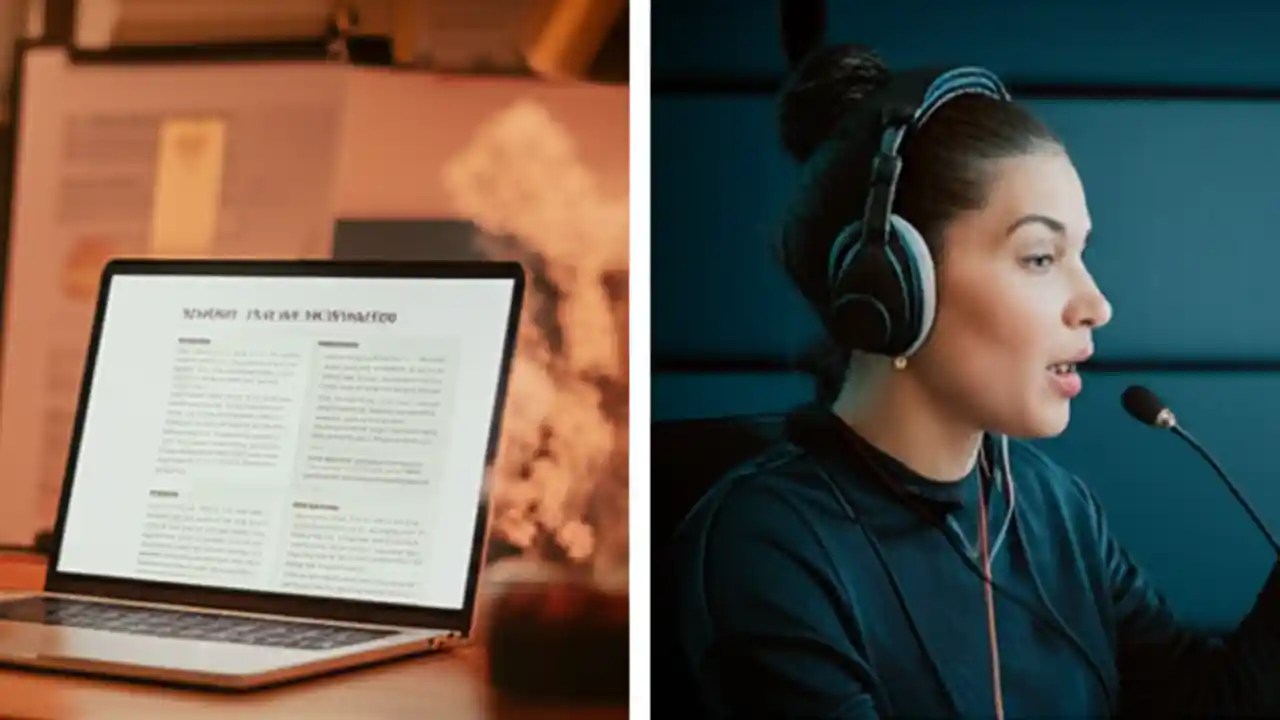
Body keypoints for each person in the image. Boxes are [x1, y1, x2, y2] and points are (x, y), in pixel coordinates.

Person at [667, 19, 1280, 720]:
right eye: (1041, 258)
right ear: (894, 283)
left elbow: (1203, 705)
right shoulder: (768, 547)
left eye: (1081, 253)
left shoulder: (1056, 509)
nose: (1097, 305)